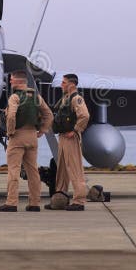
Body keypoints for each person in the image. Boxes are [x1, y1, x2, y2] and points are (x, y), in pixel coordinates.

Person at [0, 70, 53, 212]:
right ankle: (34, 203)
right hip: (32, 136)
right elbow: (49, 114)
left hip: (18, 136)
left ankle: (12, 203)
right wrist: (43, 130)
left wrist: (10, 132)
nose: (10, 81)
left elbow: (11, 116)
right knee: (33, 171)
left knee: (13, 170)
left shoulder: (15, 97)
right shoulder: (36, 97)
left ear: (18, 81)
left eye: (12, 79)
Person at [47, 73, 90, 211]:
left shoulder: (76, 99)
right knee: (62, 170)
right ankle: (60, 198)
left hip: (71, 138)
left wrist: (76, 130)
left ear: (72, 84)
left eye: (64, 83)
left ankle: (79, 201)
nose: (61, 85)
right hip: (63, 137)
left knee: (75, 169)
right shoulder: (65, 98)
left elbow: (84, 115)